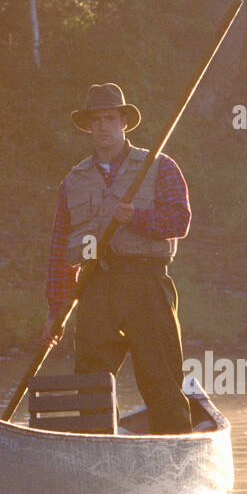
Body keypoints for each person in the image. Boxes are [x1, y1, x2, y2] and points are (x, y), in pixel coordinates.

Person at [41, 83, 192, 435]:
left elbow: (179, 221)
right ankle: (94, 450)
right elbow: (60, 250)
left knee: (159, 375)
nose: (102, 127)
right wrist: (55, 311)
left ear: (124, 122)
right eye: (96, 120)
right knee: (91, 383)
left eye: (110, 118)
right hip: (95, 287)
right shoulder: (72, 181)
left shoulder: (160, 166)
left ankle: (174, 447)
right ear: (88, 127)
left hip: (146, 284)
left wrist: (136, 217)